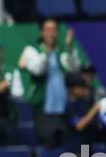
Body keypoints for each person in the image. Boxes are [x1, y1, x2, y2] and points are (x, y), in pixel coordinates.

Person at [18, 18, 81, 148]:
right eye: (48, 30)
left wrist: (69, 48)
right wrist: (47, 51)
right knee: (48, 145)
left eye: (54, 30)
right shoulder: (32, 50)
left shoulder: (63, 51)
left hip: (63, 108)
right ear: (41, 33)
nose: (51, 33)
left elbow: (74, 68)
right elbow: (38, 70)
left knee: (67, 146)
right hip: (44, 108)